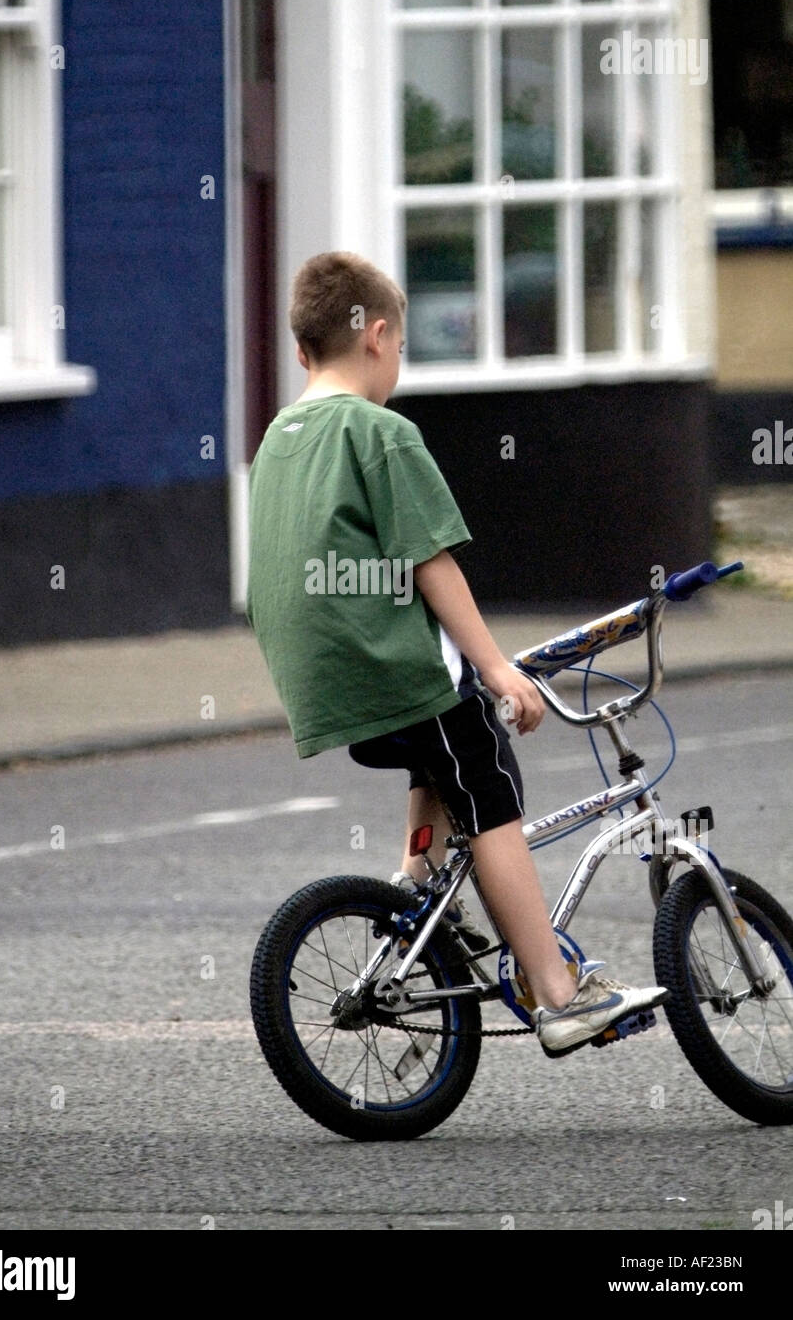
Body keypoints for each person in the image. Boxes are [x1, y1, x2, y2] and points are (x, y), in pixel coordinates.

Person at [246, 251, 667, 1057]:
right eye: (398, 346)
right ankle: (557, 991)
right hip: (392, 664)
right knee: (488, 784)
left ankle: (415, 900)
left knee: (433, 760)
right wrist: (498, 668)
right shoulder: (378, 432)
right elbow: (431, 561)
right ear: (375, 336)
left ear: (302, 353)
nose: (396, 361)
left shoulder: (278, 440)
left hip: (324, 680)